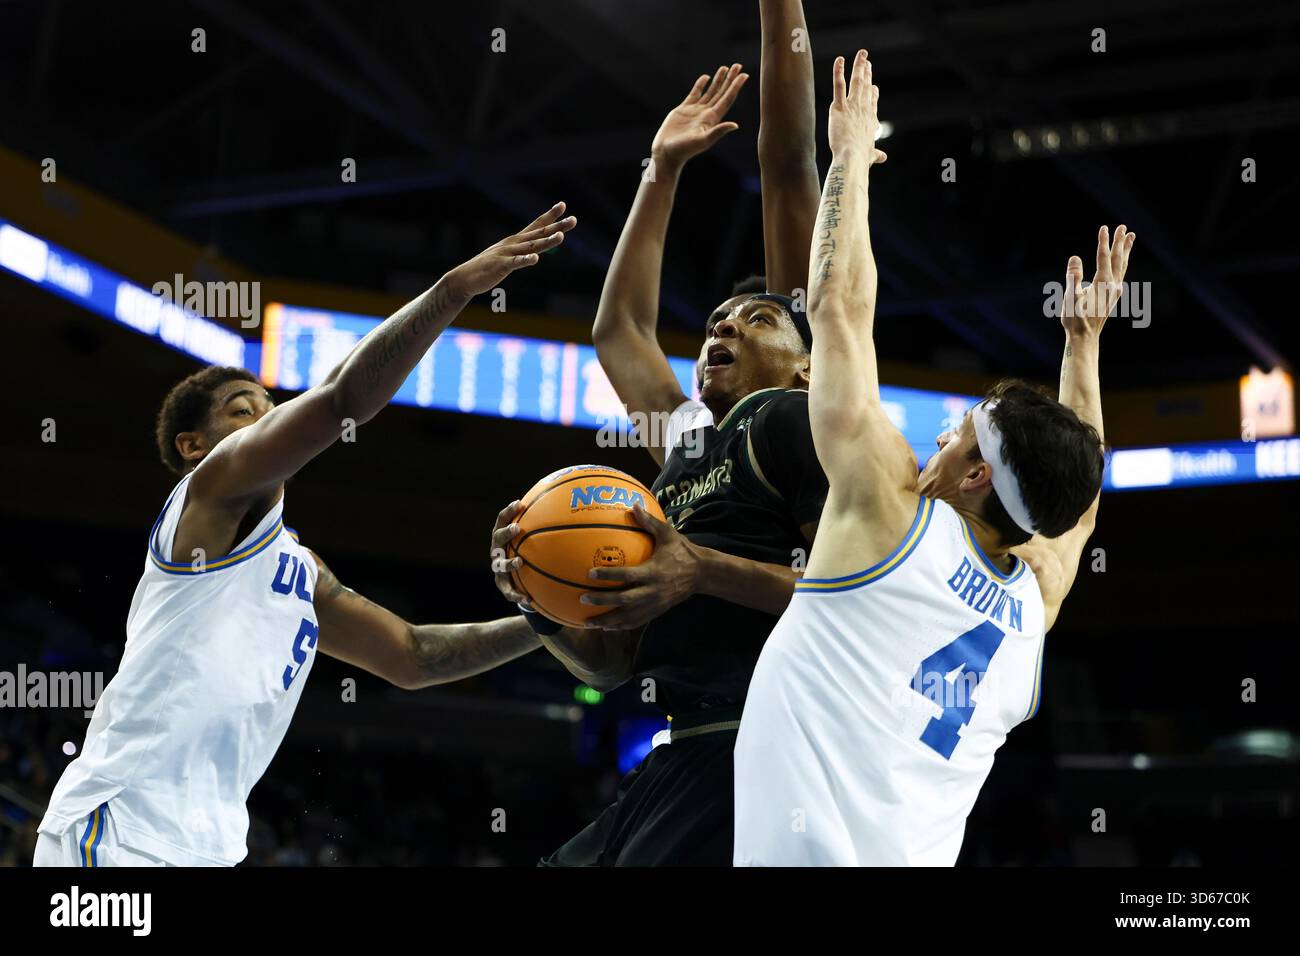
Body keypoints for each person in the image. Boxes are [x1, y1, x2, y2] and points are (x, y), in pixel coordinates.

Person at [34, 204, 576, 867]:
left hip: (208, 846)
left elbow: (411, 656)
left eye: (267, 404)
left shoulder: (301, 568)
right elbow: (344, 398)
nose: (266, 417)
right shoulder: (208, 492)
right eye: (243, 410)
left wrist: (546, 617)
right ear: (193, 444)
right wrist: (451, 291)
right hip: (116, 826)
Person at [732, 50, 1136, 866]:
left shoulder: (890, 515)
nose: (941, 433)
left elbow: (838, 310)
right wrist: (1081, 348)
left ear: (978, 474)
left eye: (960, 430)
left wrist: (847, 161)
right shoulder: (1030, 611)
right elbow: (1076, 513)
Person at [492, 1, 834, 866]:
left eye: (754, 317)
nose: (721, 327)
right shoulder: (687, 439)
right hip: (682, 749)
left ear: (805, 358)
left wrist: (778, 10)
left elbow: (790, 167)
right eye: (714, 319)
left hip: (770, 748)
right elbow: (619, 335)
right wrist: (543, 599)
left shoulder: (807, 412)